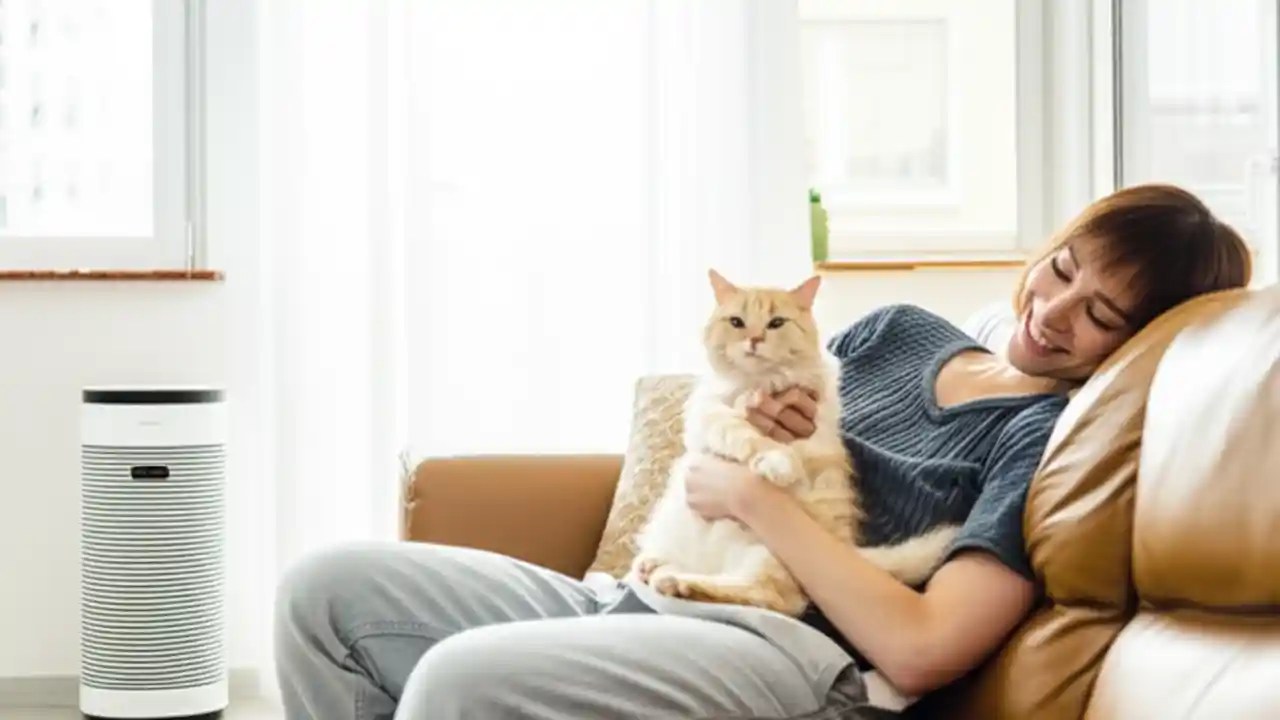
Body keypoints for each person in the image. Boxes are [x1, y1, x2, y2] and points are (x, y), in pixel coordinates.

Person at [273, 184, 1252, 719]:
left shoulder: (1044, 438)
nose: (1047, 311)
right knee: (324, 590)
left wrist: (757, 499)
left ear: (1135, 344)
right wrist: (749, 423)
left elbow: (922, 651)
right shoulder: (895, 331)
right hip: (653, 589)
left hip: (784, 649)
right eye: (1058, 268)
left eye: (1099, 315)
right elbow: (731, 413)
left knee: (461, 683)